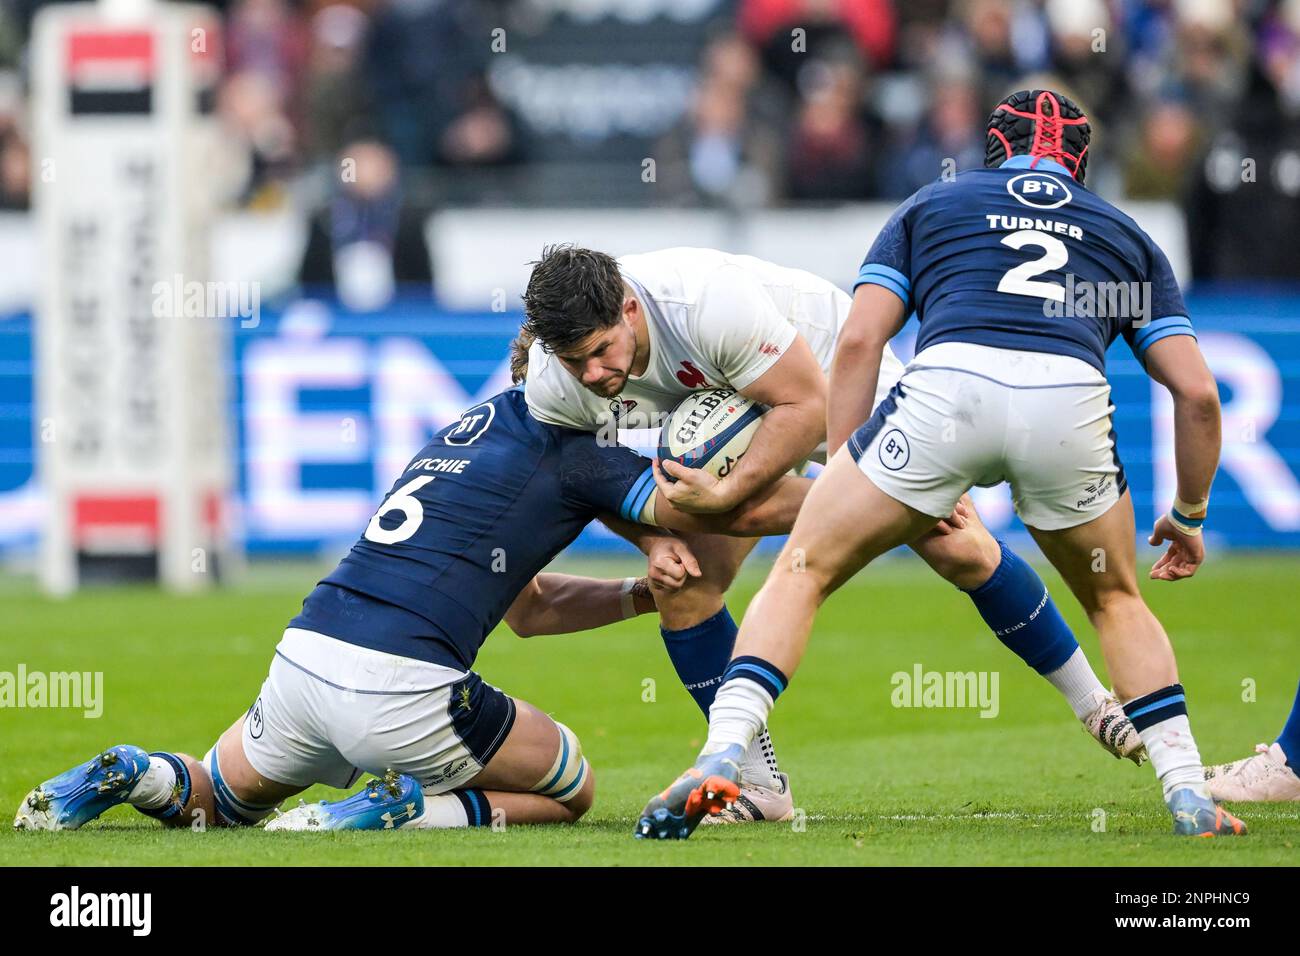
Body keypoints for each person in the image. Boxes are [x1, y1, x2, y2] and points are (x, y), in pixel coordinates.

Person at [636, 89, 1245, 839]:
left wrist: (853, 463)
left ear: (992, 147)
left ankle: (724, 750)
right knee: (1117, 601)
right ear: (1082, 162)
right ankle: (1186, 791)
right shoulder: (1123, 234)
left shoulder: (937, 202)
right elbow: (1198, 394)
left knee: (804, 570)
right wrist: (1188, 515)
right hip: (1068, 403)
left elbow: (859, 344)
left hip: (949, 389)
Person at [520, 241, 1148, 823]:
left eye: (604, 351)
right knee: (684, 580)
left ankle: (1098, 706)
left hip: (825, 372)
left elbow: (807, 405)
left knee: (956, 543)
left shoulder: (707, 303)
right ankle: (762, 789)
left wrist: (853, 498)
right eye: (577, 362)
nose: (596, 374)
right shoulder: (555, 380)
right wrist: (654, 543)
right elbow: (585, 477)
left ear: (629, 308)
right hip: (722, 411)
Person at [13, 388, 806, 833]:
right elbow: (710, 513)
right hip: (403, 688)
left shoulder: (464, 428)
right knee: (573, 786)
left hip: (306, 653)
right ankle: (401, 808)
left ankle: (131, 771)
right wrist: (853, 495)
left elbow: (527, 610)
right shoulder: (580, 451)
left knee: (216, 802)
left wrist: (639, 589)